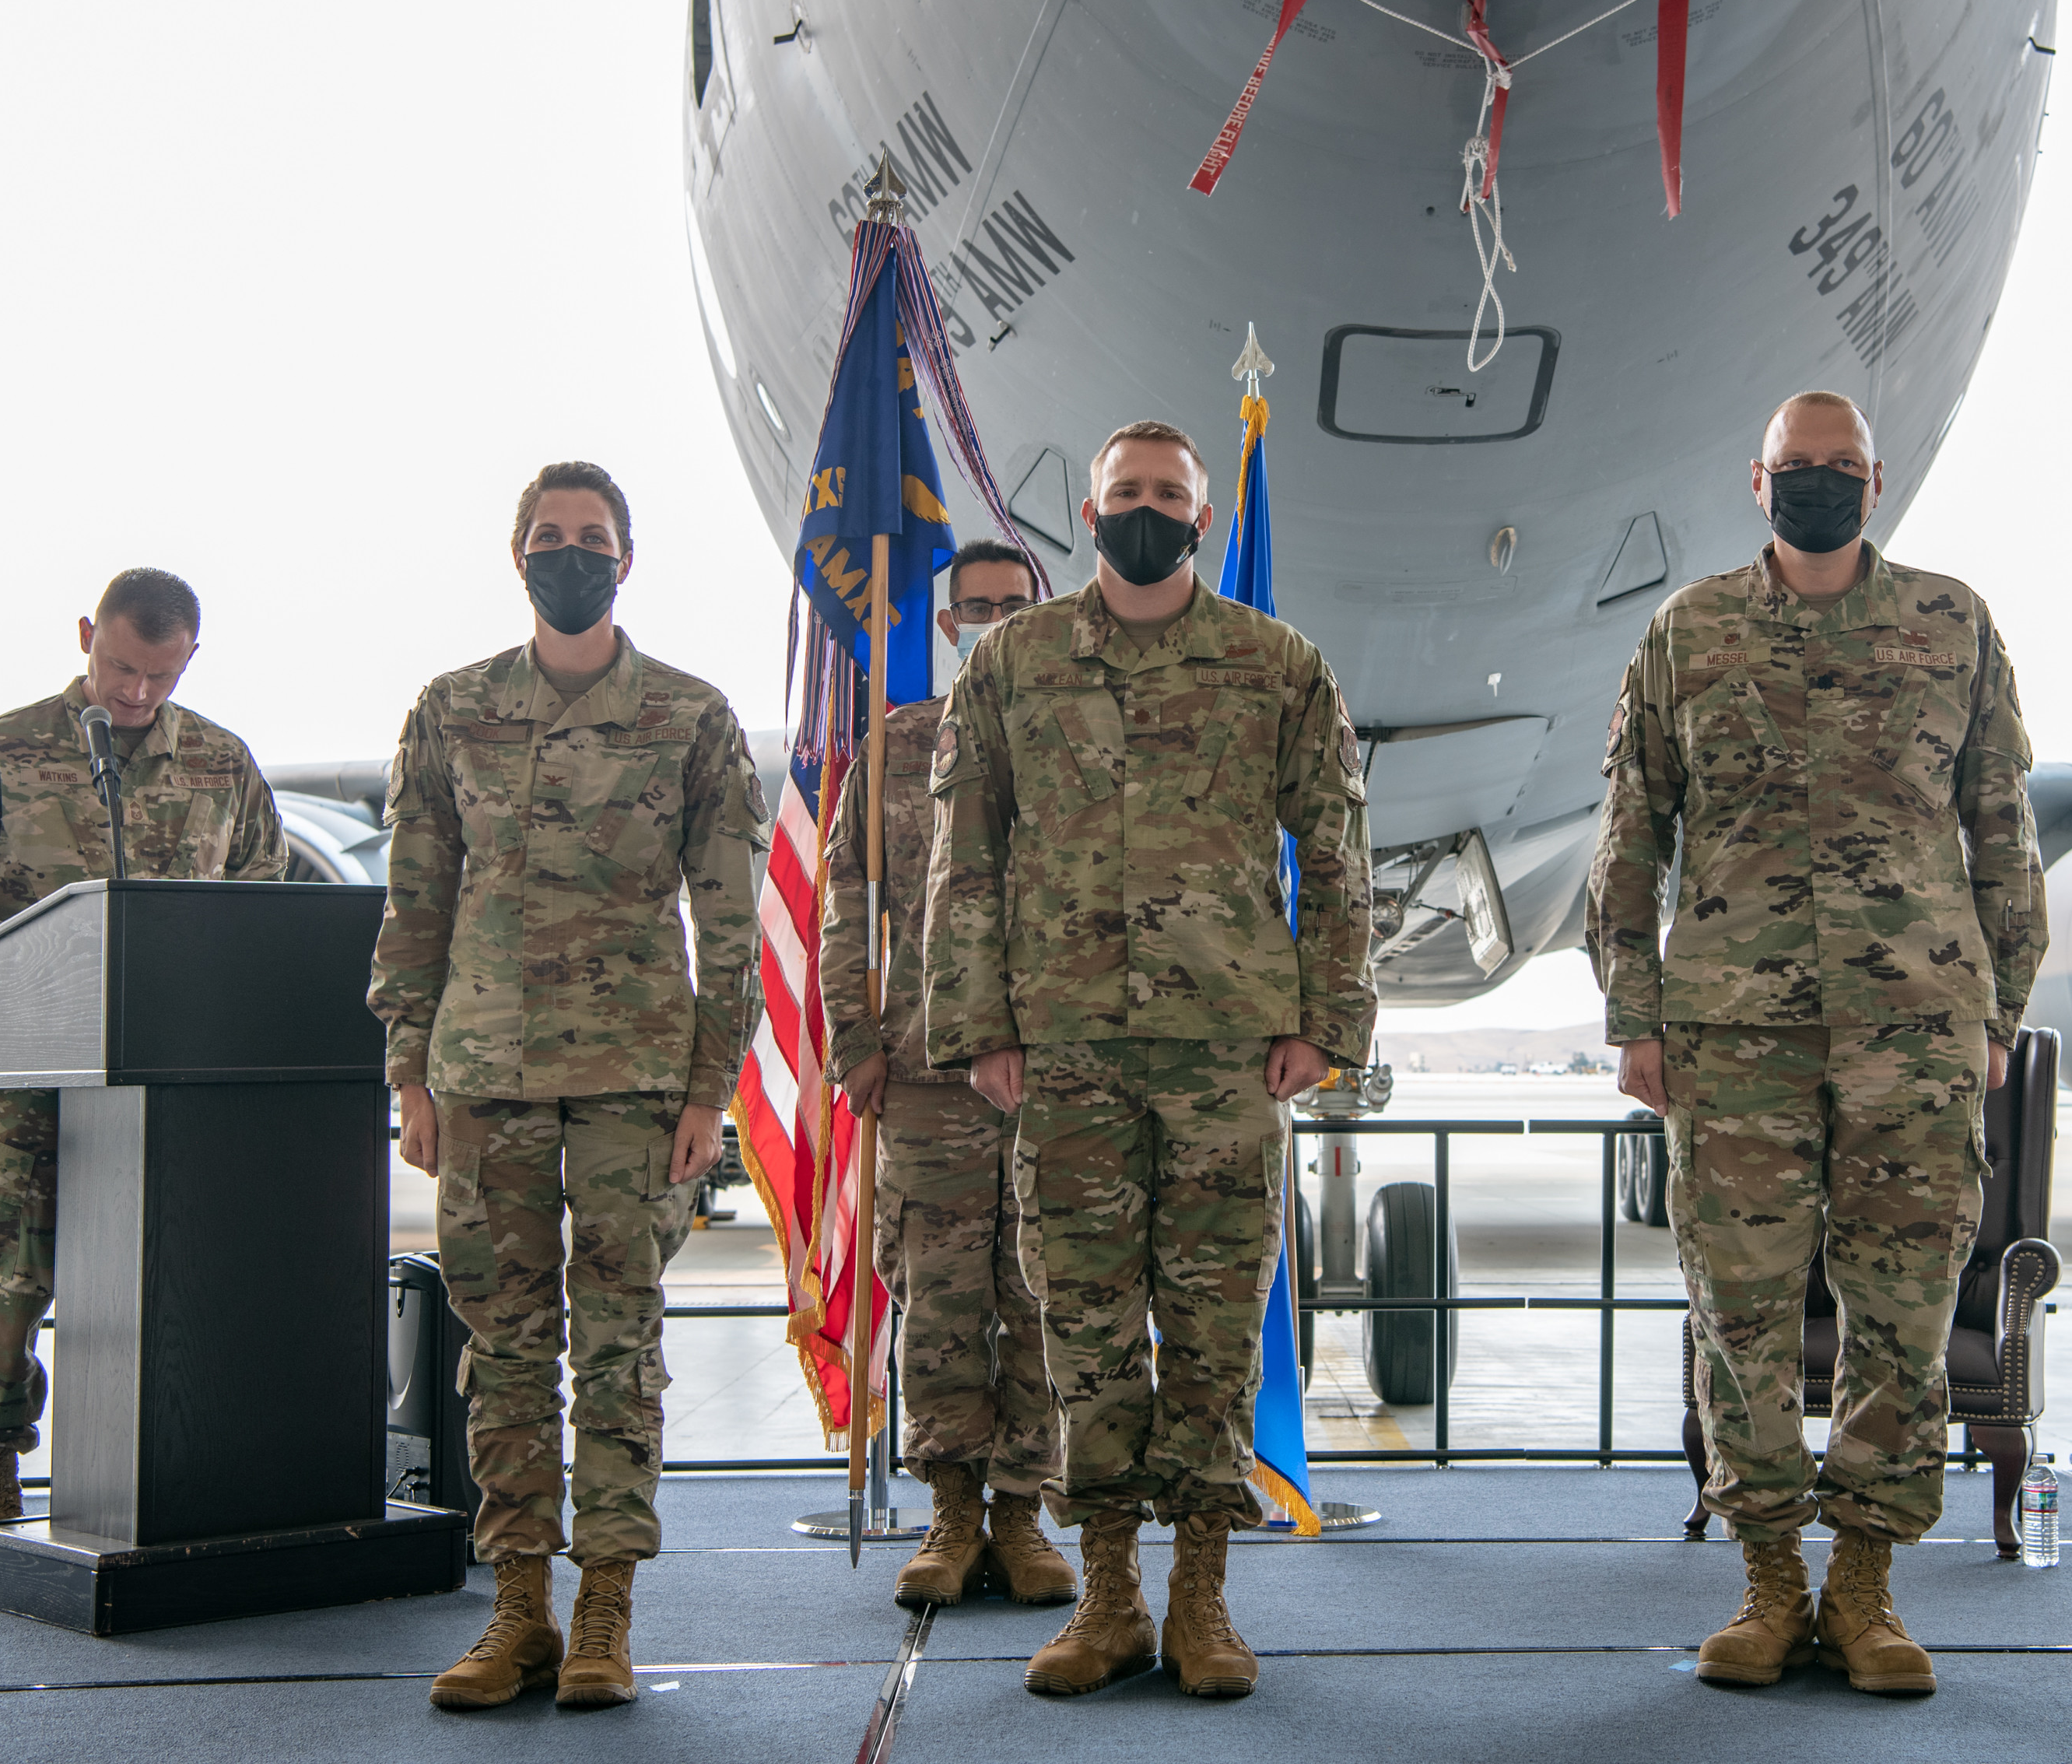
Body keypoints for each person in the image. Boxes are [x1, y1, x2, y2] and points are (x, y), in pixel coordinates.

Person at [1590, 391, 2046, 1699]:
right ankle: (1769, 1582)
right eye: (1799, 466)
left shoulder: (1953, 624)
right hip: (1734, 1033)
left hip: (1915, 1029)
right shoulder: (1690, 632)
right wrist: (1635, 1015)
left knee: (1903, 1315)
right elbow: (1632, 833)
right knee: (1738, 1315)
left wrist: (2000, 1011)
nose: (1821, 483)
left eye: (1843, 466)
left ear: (1876, 482)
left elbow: (2002, 827)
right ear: (1759, 480)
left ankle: (1865, 1589)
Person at [924, 419, 1373, 1701]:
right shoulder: (1013, 664)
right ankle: (1111, 1594)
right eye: (1126, 491)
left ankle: (1203, 1597)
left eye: (1169, 494)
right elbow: (967, 856)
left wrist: (1327, 1021)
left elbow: (1337, 844)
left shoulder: (1274, 662)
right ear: (1089, 511)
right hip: (1066, 1047)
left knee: (1216, 1326)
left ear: (1202, 517)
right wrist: (979, 1025)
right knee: (1086, 1327)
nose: (1147, 509)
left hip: (1229, 1049)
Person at [372, 461, 768, 1712]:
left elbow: (732, 921)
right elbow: (416, 902)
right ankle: (518, 1609)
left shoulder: (691, 716)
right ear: (518, 556)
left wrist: (710, 1090)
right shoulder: (451, 710)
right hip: (482, 1074)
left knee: (618, 1345)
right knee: (503, 1347)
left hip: (635, 1080)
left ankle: (605, 1609)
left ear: (626, 560)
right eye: (549, 536)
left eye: (592, 537)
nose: (570, 554)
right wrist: (410, 1073)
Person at [0, 569, 284, 1593]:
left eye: (160, 675)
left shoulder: (222, 761)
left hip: (170, 1070)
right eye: (120, 667)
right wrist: (5, 955)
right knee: (8, 1271)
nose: (136, 693)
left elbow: (263, 888)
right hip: (29, 1060)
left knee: (173, 1276)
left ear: (188, 660)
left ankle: (167, 1483)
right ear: (85, 637)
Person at [824, 537, 1074, 1611]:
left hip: (1059, 1071)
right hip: (929, 1076)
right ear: (946, 623)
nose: (994, 622)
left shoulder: (1077, 738)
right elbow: (846, 900)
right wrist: (853, 1041)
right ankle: (953, 1513)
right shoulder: (895, 749)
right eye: (977, 608)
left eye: (1013, 606)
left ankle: (1021, 1515)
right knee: (937, 1304)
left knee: (1041, 1297)